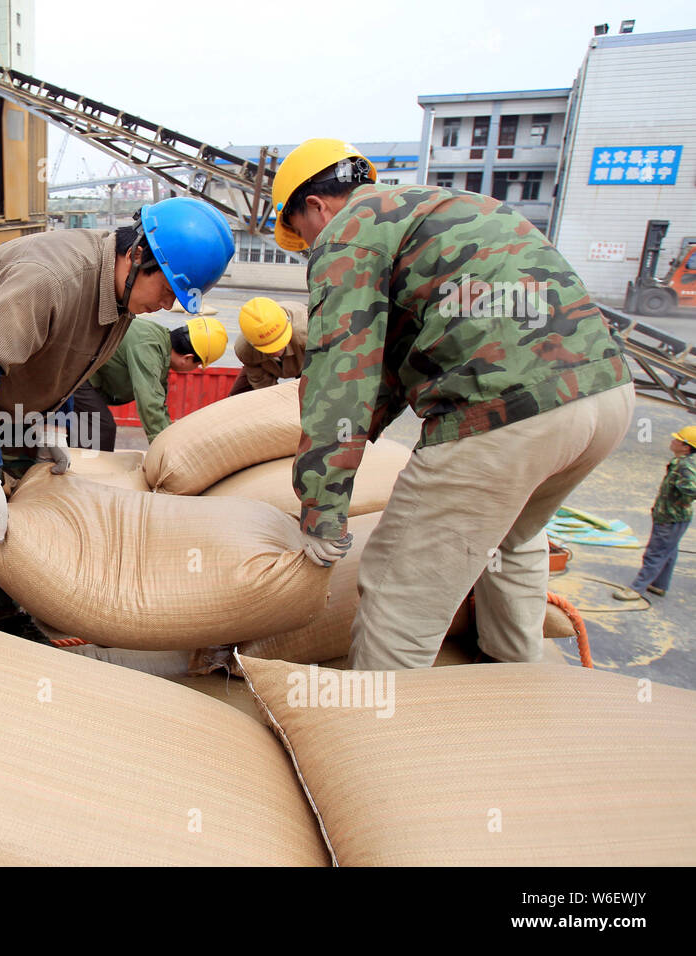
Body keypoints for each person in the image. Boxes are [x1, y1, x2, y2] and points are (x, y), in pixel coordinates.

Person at [275, 137, 634, 670]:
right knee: (511, 544)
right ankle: (517, 684)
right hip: (607, 398)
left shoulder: (348, 232)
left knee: (399, 592)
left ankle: (378, 738)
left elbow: (339, 378)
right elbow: (388, 373)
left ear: (315, 206)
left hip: (504, 415)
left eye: (302, 236)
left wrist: (322, 510)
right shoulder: (443, 206)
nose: (310, 247)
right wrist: (353, 452)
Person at [0, 196, 235, 545]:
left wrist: (52, 426)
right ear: (138, 255)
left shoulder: (123, 293)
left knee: (23, 500)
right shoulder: (49, 281)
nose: (166, 305)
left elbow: (67, 361)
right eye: (168, 290)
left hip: (14, 389)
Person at [72, 317, 228, 451]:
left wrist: (170, 436)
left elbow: (159, 400)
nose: (196, 369)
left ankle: (74, 465)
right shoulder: (148, 349)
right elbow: (149, 403)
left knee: (88, 428)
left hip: (84, 370)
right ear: (187, 358)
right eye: (198, 364)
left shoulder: (160, 342)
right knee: (101, 428)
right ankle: (90, 477)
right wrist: (166, 450)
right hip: (74, 370)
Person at [614, 426, 696, 601]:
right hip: (676, 517)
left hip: (670, 517)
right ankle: (659, 585)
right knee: (669, 551)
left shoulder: (685, 466)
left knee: (655, 553)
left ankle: (636, 589)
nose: (673, 441)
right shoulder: (685, 462)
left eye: (677, 440)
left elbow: (691, 490)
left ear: (686, 447)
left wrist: (680, 500)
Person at [228, 297, 307, 395]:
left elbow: (323, 372)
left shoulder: (308, 332)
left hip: (307, 361)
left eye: (279, 343)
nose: (275, 352)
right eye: (268, 348)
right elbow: (262, 385)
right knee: (237, 398)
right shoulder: (245, 350)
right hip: (265, 368)